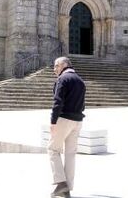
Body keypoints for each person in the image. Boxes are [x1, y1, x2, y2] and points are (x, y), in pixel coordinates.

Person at [48, 56, 86, 198]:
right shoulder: (80, 81)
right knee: (70, 154)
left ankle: (60, 183)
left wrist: (53, 121)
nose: (54, 70)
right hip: (78, 121)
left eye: (56, 66)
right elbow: (83, 104)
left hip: (64, 119)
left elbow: (58, 102)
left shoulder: (63, 79)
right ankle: (67, 188)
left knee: (52, 149)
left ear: (63, 65)